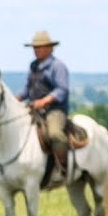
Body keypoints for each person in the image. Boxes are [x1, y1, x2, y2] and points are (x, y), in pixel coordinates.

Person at [15, 29, 71, 179]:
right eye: (35, 48)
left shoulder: (57, 66)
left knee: (55, 134)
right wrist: (17, 98)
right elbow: (28, 88)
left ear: (50, 48)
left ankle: (62, 169)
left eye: (40, 47)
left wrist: (44, 101)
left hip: (54, 110)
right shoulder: (33, 65)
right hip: (34, 108)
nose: (36, 50)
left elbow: (62, 89)